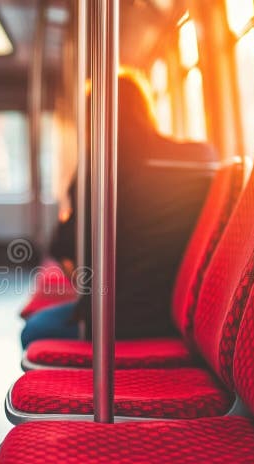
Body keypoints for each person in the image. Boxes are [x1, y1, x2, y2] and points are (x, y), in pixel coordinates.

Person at [21, 71, 218, 348]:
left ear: (93, 119)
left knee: (33, 330)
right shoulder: (201, 156)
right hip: (191, 312)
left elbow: (64, 245)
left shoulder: (98, 171)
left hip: (121, 320)